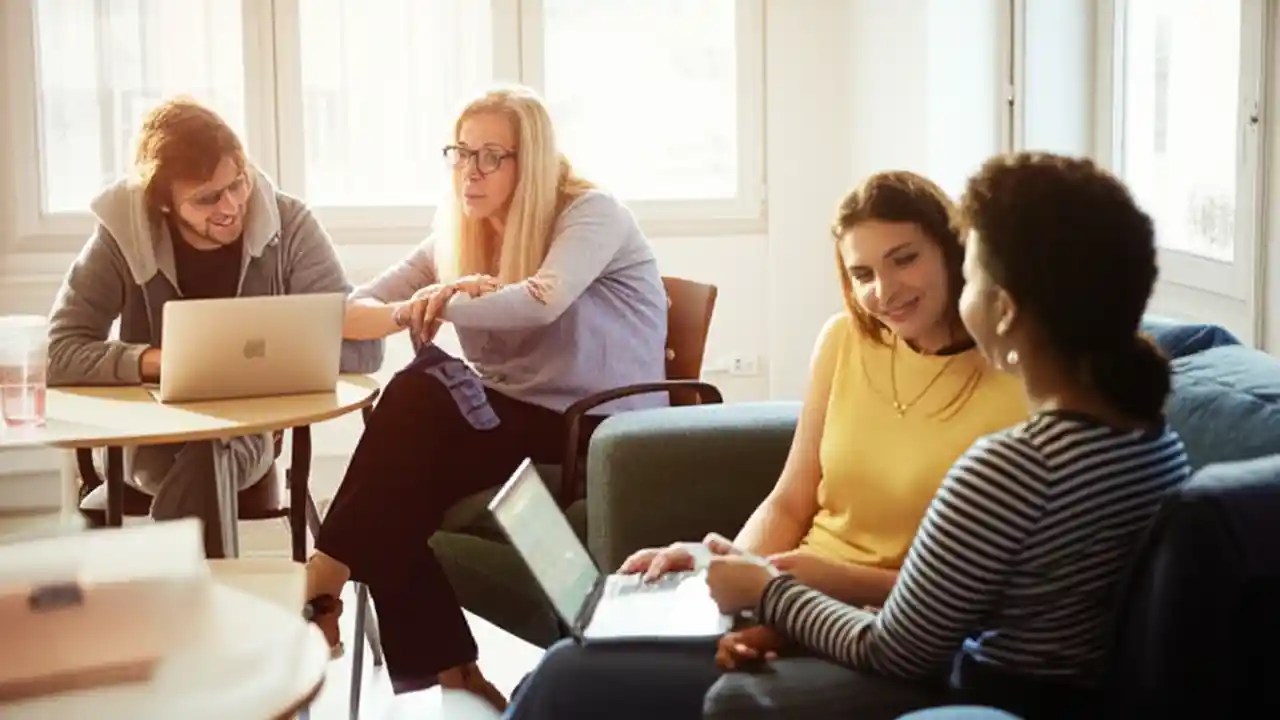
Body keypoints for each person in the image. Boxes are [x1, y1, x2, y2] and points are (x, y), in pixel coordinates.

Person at [501, 170, 1030, 720]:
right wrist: (725, 568)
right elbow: (791, 500)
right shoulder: (844, 341)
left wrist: (787, 590)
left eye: (905, 259)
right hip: (782, 592)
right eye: (862, 273)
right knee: (568, 661)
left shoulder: (1017, 382)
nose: (885, 291)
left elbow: (971, 601)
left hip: (864, 626)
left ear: (952, 249)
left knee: (571, 677)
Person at [698, 152, 1191, 720]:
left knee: (731, 702)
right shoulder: (1153, 438)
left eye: (972, 271)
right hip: (1011, 678)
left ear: (1001, 308)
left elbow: (897, 648)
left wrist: (770, 594)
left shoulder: (1012, 465)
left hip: (985, 692)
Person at [301, 85, 669, 709]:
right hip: (512, 414)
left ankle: (320, 590)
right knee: (399, 482)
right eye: (460, 152)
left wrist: (446, 299)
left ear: (534, 162)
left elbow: (540, 300)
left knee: (414, 401)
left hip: (594, 422)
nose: (469, 171)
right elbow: (349, 311)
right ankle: (459, 680)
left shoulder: (590, 213)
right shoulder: (460, 226)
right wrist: (409, 308)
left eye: (490, 155)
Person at [47, 97, 382, 559]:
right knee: (202, 457)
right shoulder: (122, 234)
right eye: (207, 199)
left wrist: (276, 359)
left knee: (212, 450)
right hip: (148, 434)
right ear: (163, 203)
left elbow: (364, 351)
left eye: (237, 183)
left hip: (244, 433)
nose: (231, 206)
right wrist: (159, 362)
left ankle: (175, 607)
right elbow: (57, 351)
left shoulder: (289, 223)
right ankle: (202, 612)